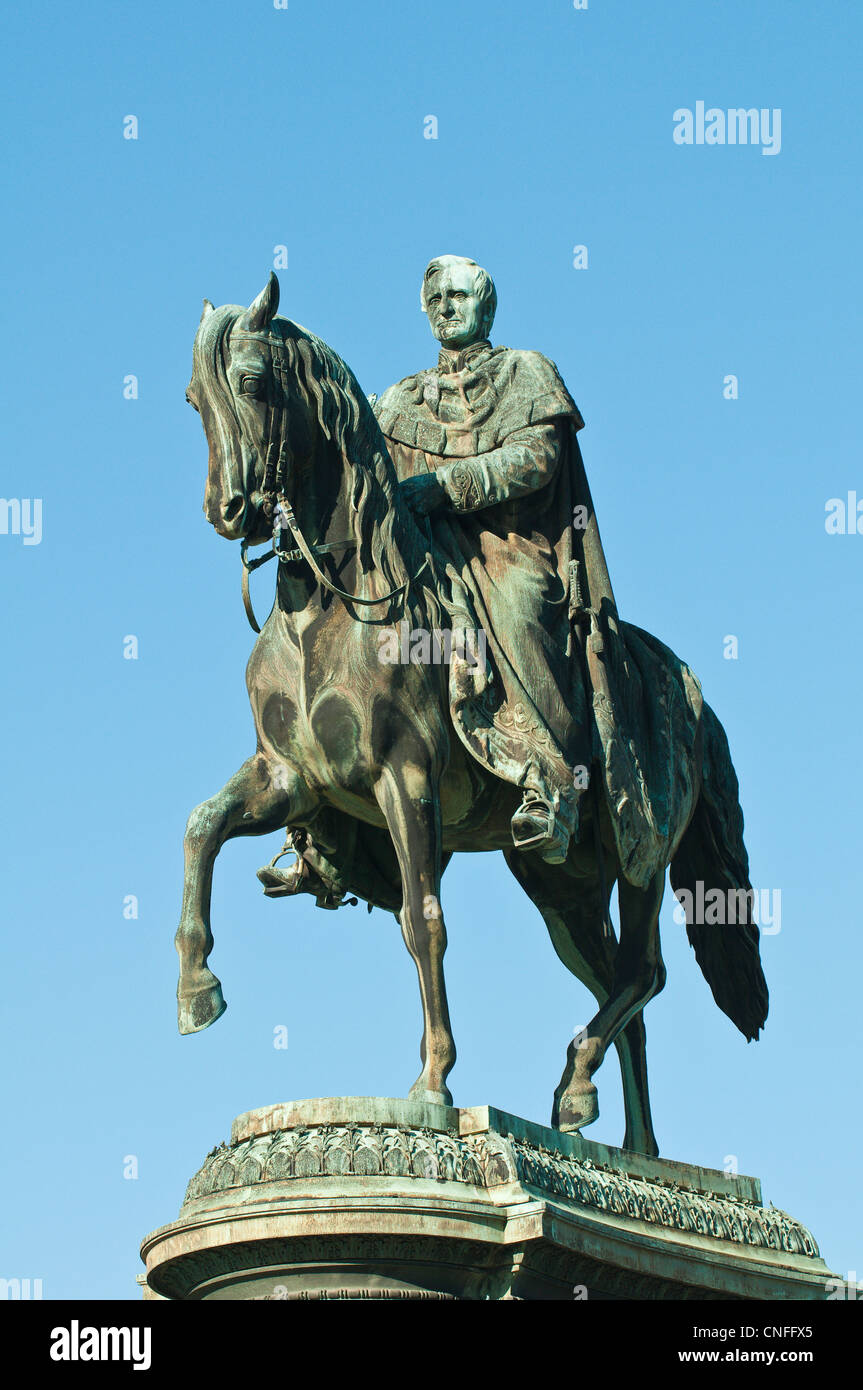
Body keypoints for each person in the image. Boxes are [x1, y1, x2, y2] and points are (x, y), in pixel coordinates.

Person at [371, 254, 617, 865]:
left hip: (504, 547)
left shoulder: (524, 370)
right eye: (434, 301)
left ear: (485, 304)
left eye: (456, 296)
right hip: (425, 552)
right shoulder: (400, 399)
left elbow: (538, 458)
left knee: (519, 604)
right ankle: (329, 821)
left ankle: (550, 783)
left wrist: (445, 488)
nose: (445, 308)